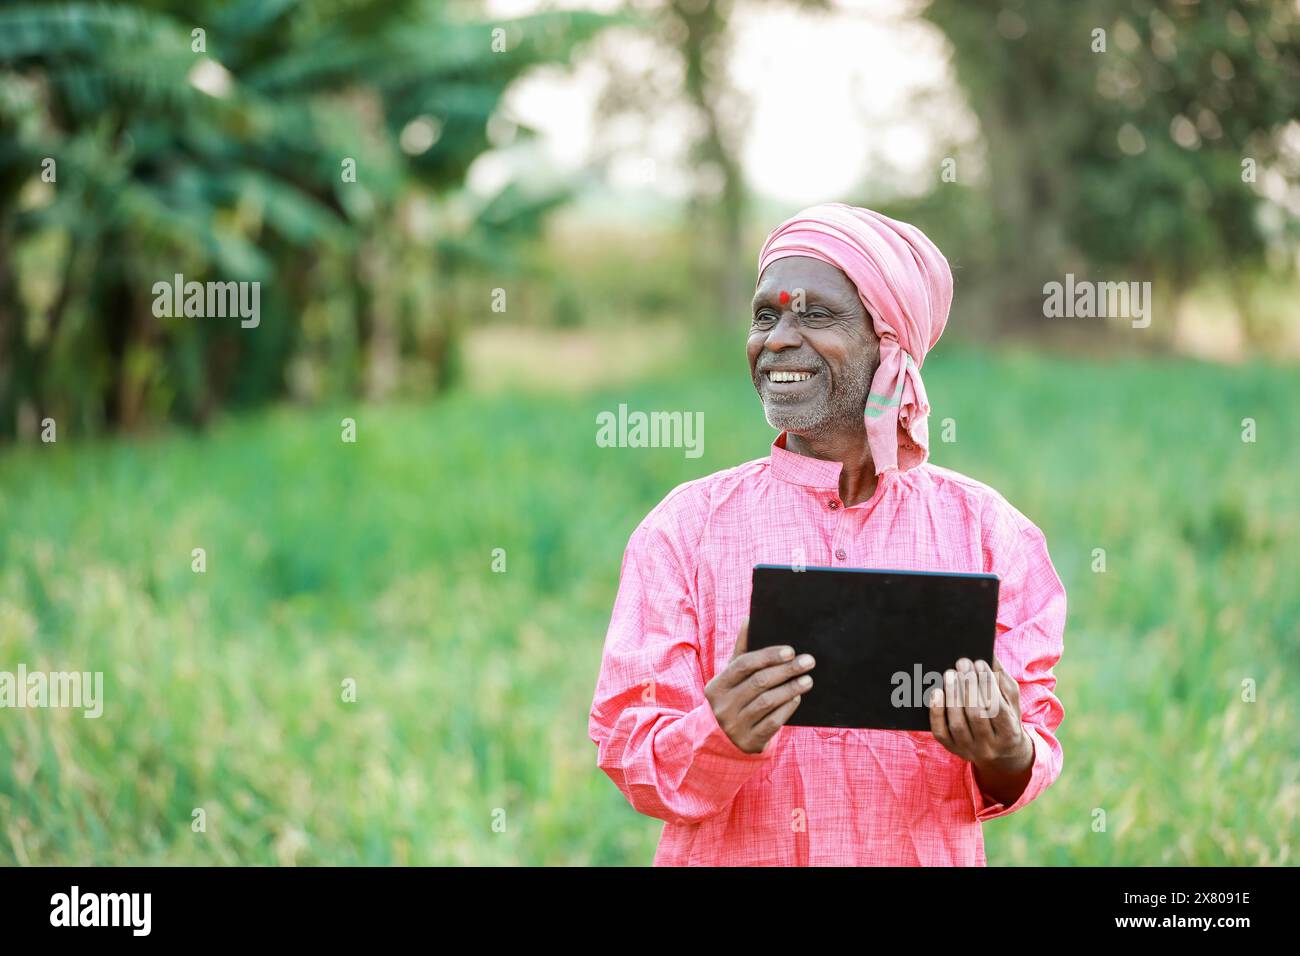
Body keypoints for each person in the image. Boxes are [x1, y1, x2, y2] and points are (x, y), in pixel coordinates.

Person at [587, 202, 1066, 865]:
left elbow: (1027, 752)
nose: (777, 337)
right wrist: (717, 732)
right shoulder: (683, 529)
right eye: (765, 314)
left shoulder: (990, 534)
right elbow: (626, 745)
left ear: (889, 342)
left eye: (814, 314)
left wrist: (1004, 748)